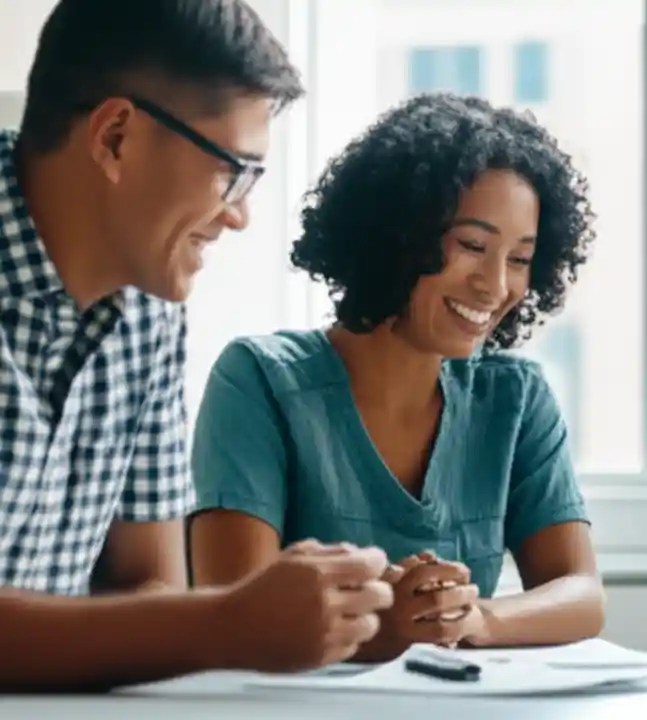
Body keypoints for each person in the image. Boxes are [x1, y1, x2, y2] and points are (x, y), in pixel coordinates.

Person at [0, 0, 394, 690]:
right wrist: (226, 625)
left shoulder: (151, 310)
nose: (239, 216)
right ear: (116, 137)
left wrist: (282, 617)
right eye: (232, 171)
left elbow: (145, 582)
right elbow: (175, 619)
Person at [189, 93, 604, 661]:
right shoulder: (260, 380)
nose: (495, 285)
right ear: (397, 237)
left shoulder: (516, 398)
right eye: (473, 246)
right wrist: (391, 624)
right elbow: (236, 608)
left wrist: (475, 617)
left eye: (518, 259)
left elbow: (582, 595)